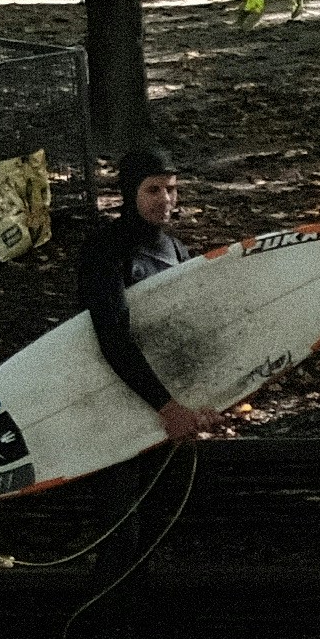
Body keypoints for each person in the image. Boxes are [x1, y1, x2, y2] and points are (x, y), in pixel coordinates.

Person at [76, 144, 213, 444]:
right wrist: (167, 407)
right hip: (112, 402)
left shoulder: (176, 249)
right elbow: (112, 338)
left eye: (171, 189)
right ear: (130, 192)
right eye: (153, 190)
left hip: (166, 394)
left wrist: (202, 400)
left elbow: (192, 325)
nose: (166, 199)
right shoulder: (104, 251)